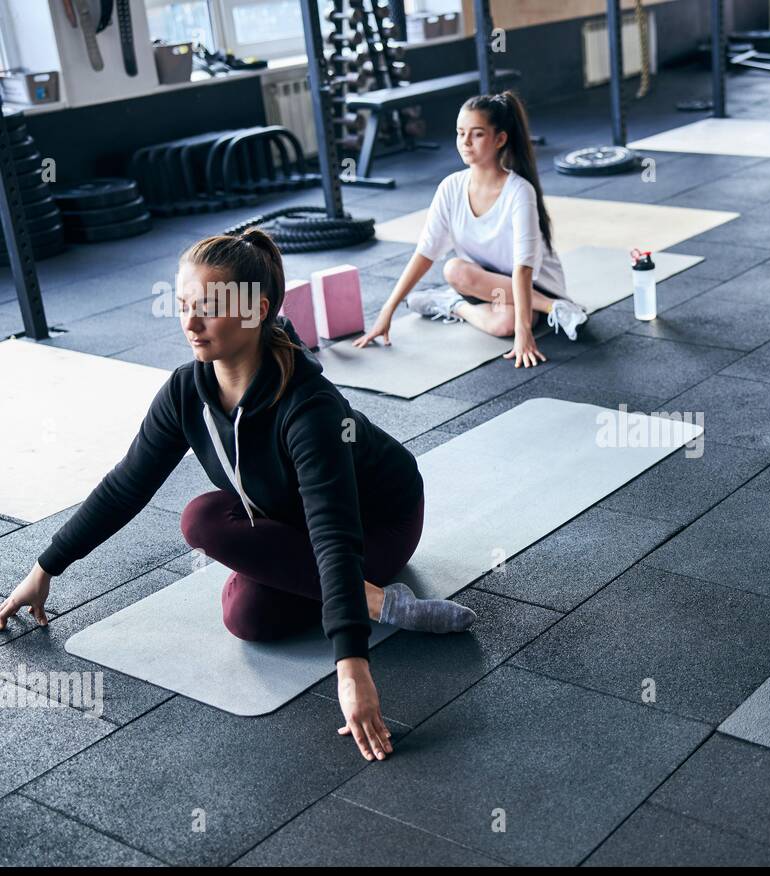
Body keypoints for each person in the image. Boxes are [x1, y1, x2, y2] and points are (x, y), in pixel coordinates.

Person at [0, 231, 477, 760]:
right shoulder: (186, 391)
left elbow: (335, 534)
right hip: (292, 517)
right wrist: (45, 567)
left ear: (257, 310)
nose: (190, 322)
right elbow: (126, 483)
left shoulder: (310, 408)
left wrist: (352, 668)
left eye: (208, 307)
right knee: (246, 618)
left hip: (378, 523)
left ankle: (383, 602)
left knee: (202, 519)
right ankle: (361, 597)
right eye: (183, 306)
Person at [356, 90, 586, 368]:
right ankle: (460, 304)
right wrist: (387, 310)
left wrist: (524, 333)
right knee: (454, 270)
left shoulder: (519, 192)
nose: (465, 142)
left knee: (509, 324)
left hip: (535, 285)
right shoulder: (450, 187)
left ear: (500, 139)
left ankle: (550, 304)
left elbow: (523, 268)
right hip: (482, 282)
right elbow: (425, 253)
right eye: (459, 132)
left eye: (476, 134)